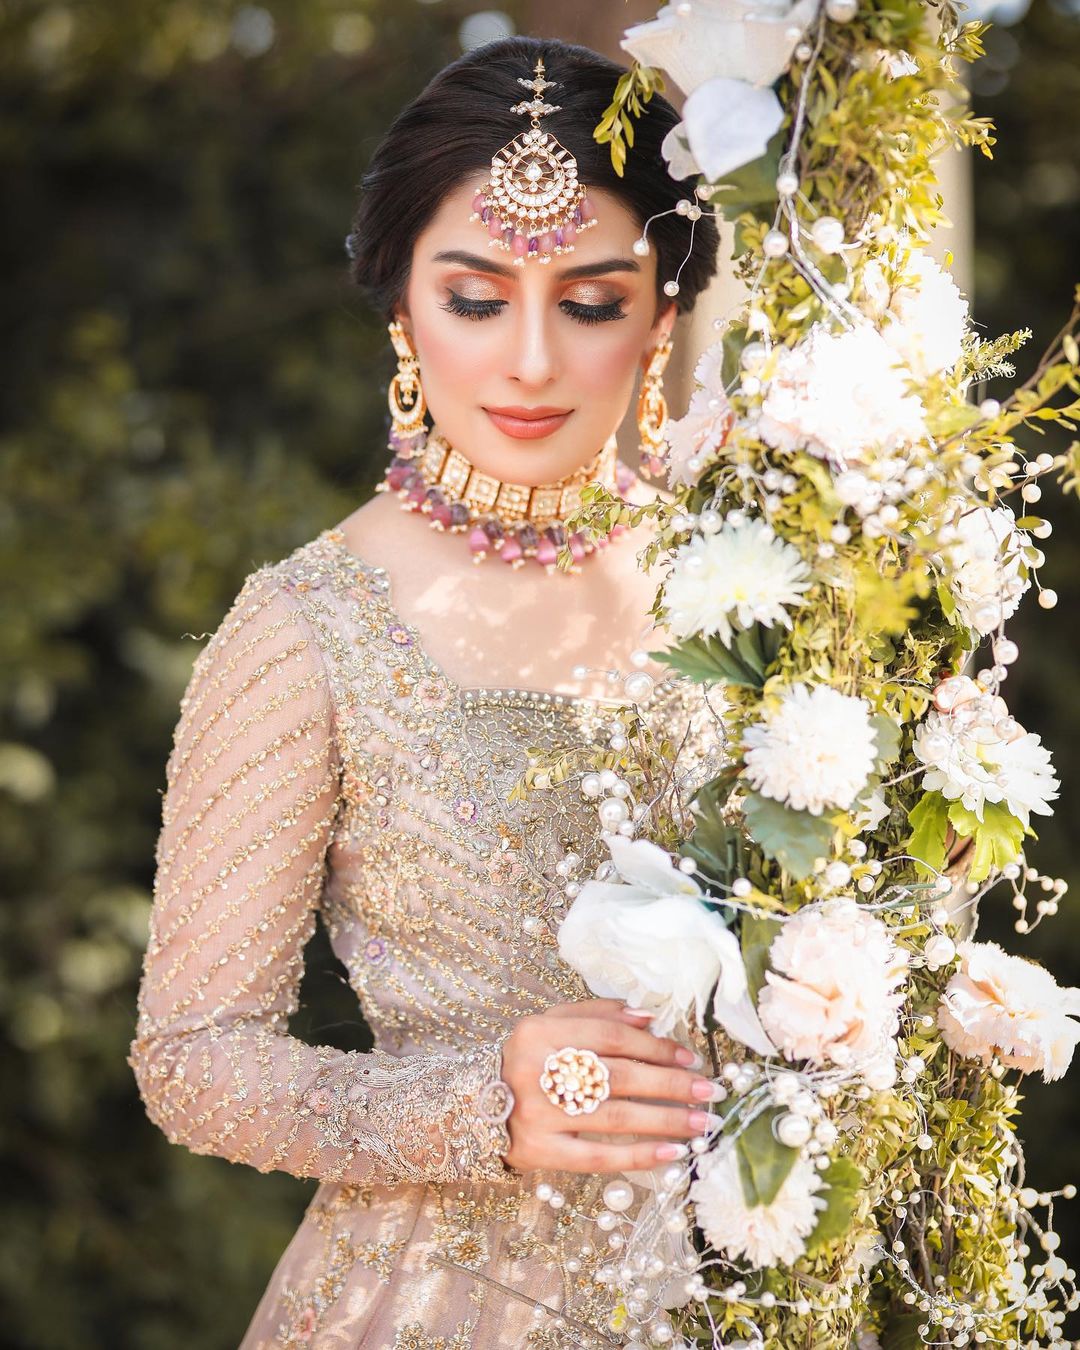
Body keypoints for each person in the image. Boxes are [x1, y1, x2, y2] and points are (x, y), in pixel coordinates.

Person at [127, 33, 725, 1350]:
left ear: (662, 315)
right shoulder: (307, 628)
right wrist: (480, 1108)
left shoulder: (756, 589)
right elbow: (191, 1056)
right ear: (404, 306)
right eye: (474, 299)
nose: (529, 360)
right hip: (438, 1300)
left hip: (772, 1280)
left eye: (589, 303)